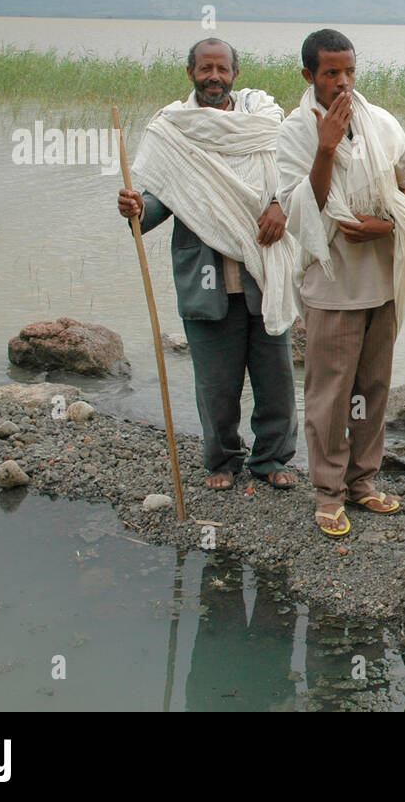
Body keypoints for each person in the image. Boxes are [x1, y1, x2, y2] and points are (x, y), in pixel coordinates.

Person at [117, 38, 299, 493]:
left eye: (221, 69)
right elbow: (160, 202)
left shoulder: (263, 124)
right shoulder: (173, 131)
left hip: (264, 274)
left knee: (274, 380)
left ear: (235, 74)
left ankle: (272, 459)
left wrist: (279, 205)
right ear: (191, 73)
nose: (213, 77)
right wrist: (136, 208)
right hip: (206, 279)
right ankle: (222, 460)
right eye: (205, 69)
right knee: (215, 386)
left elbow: (295, 182)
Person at [276, 29, 405, 538]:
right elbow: (301, 210)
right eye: (330, 73)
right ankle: (327, 492)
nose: (342, 83)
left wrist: (388, 225)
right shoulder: (295, 132)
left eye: (349, 71)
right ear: (308, 75)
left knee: (372, 390)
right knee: (330, 395)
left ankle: (363, 481)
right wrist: (325, 149)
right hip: (333, 286)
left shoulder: (381, 122)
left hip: (382, 279)